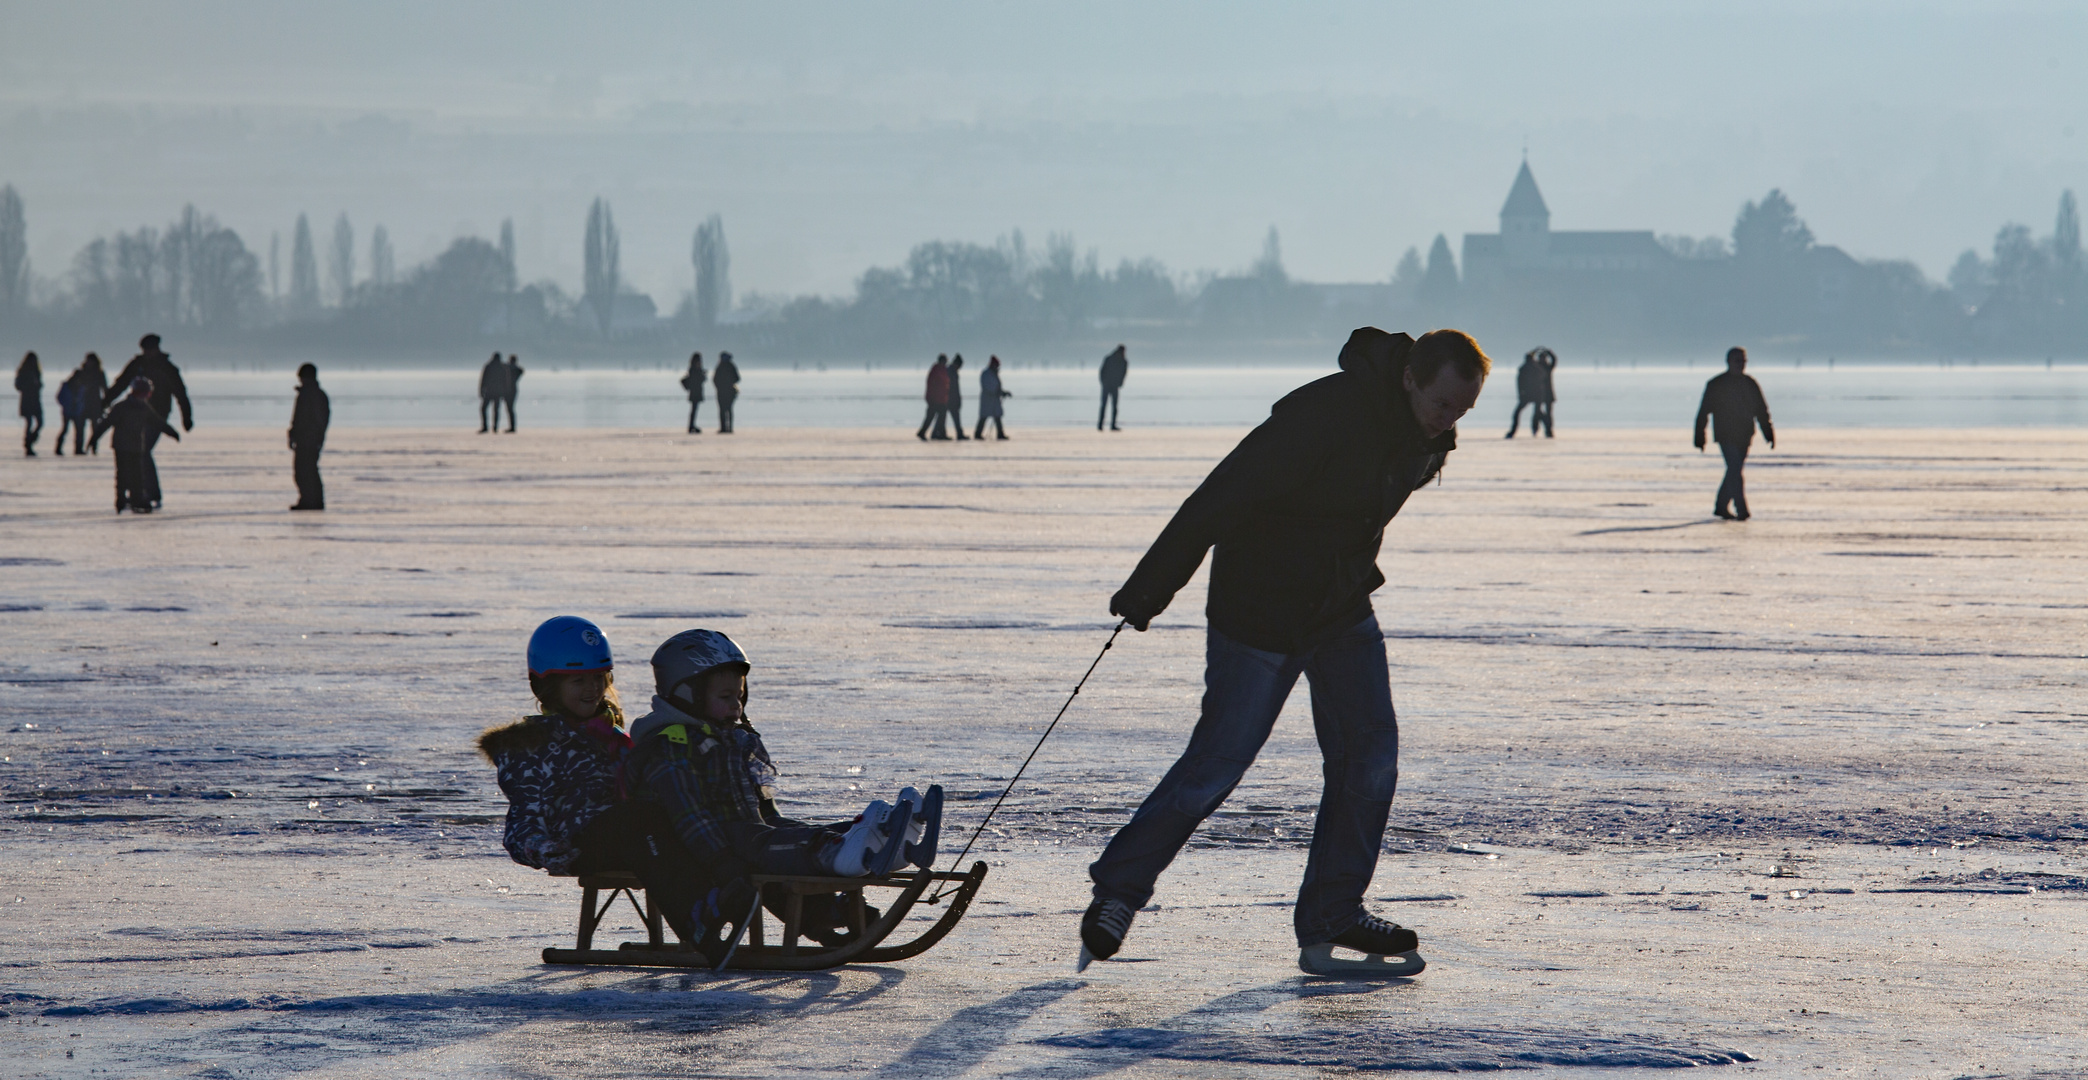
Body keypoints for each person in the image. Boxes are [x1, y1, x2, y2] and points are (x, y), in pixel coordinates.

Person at [1082, 326, 1490, 978]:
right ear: (1410, 377)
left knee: (1370, 760)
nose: (1451, 420)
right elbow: (1221, 495)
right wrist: (1150, 587)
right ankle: (1119, 891)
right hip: (1260, 609)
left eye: (1463, 410)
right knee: (1217, 764)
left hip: (1339, 608)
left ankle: (1333, 913)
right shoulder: (1324, 414)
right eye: (1443, 403)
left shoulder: (1424, 436)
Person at [625, 629, 941, 947]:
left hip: (741, 834)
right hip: (703, 847)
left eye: (739, 696)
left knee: (785, 833)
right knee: (762, 842)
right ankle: (842, 850)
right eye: (725, 697)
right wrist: (723, 862)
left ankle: (882, 838)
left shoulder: (731, 740)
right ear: (687, 695)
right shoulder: (670, 747)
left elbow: (765, 812)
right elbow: (689, 817)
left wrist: (789, 827)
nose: (736, 706)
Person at [480, 617, 735, 954]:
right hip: (578, 844)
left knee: (678, 816)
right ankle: (697, 919)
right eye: (578, 680)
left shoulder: (613, 738)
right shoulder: (529, 747)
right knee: (638, 818)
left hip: (635, 834)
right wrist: (543, 848)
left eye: (598, 678)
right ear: (546, 686)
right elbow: (521, 823)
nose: (592, 689)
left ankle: (725, 896)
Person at [1694, 346, 1774, 520]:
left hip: (1745, 434)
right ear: (1728, 362)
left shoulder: (1750, 384)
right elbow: (1703, 412)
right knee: (1735, 469)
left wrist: (1768, 433)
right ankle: (1742, 509)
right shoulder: (1716, 384)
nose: (1741, 364)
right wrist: (1699, 437)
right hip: (1725, 435)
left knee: (1733, 470)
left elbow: (1761, 410)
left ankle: (1721, 506)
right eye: (1737, 361)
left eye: (1743, 361)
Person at [91, 377, 180, 513]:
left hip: (137, 446)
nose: (146, 396)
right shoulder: (122, 407)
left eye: (148, 393)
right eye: (144, 393)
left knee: (137, 474)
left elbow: (157, 422)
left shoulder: (144, 408)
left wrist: (171, 432)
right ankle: (121, 500)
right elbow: (106, 423)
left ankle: (137, 500)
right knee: (122, 474)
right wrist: (94, 438)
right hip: (121, 446)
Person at [288, 363, 330, 511]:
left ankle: (314, 501)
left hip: (309, 440)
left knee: (308, 470)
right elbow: (297, 419)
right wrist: (292, 434)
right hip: (303, 439)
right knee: (302, 471)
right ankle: (307, 499)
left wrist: (317, 438)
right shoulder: (305, 395)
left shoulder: (314, 396)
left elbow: (320, 420)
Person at [54, 353, 106, 456]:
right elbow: (71, 385)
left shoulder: (99, 373)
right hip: (81, 403)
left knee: (94, 427)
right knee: (80, 427)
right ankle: (79, 448)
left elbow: (104, 388)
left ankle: (93, 446)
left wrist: (106, 402)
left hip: (94, 403)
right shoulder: (81, 372)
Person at [1505, 347, 1556, 438]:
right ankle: (1544, 430)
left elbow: (1520, 383)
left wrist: (1544, 352)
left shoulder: (1542, 368)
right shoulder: (1538, 368)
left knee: (1539, 413)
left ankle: (1545, 430)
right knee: (1538, 413)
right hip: (1538, 394)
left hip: (1540, 394)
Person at [974, 355, 1011, 440]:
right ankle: (977, 434)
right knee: (984, 417)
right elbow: (988, 386)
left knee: (997, 417)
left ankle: (1000, 433)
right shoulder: (986, 374)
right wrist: (997, 392)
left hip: (994, 400)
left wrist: (1002, 392)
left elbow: (997, 387)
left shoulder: (994, 374)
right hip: (987, 399)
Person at [916, 354, 951, 441]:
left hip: (939, 398)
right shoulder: (938, 370)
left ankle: (938, 433)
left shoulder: (939, 369)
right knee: (933, 416)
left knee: (938, 416)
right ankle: (927, 432)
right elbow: (936, 384)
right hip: (936, 398)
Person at [15, 351, 42, 457]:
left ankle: (30, 440)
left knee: (40, 422)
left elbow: (40, 385)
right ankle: (28, 445)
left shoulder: (36, 372)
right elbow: (18, 385)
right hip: (27, 400)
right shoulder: (23, 372)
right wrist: (28, 385)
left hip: (35, 400)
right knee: (29, 422)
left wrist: (37, 385)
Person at [477, 352, 509, 434]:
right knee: (496, 410)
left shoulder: (488, 366)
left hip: (489, 391)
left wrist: (481, 390)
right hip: (498, 391)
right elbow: (505, 381)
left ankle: (486, 427)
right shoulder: (502, 367)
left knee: (484, 408)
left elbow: (483, 379)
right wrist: (505, 392)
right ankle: (495, 427)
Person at [1098, 344, 1127, 431]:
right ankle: (1103, 425)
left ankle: (1109, 425)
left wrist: (1120, 383)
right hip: (1108, 385)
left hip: (1112, 385)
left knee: (1111, 406)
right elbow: (1102, 371)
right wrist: (1103, 382)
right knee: (1107, 405)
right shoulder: (1112, 359)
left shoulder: (1121, 361)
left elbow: (1123, 374)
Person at [712, 352, 739, 433]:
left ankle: (724, 428)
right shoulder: (731, 366)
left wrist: (720, 386)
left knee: (723, 410)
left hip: (723, 391)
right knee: (728, 409)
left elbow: (715, 379)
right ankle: (728, 428)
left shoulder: (720, 366)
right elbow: (737, 378)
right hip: (729, 391)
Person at [681, 352, 707, 434]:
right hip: (695, 392)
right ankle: (691, 426)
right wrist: (703, 374)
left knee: (694, 410)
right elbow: (699, 380)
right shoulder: (695, 370)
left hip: (694, 392)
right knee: (694, 410)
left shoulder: (692, 369)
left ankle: (692, 425)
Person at [946, 354, 969, 441]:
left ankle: (959, 433)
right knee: (952, 417)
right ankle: (959, 434)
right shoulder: (951, 372)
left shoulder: (952, 371)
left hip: (952, 398)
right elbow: (952, 388)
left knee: (947, 417)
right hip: (950, 399)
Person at [504, 354, 524, 432]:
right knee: (510, 408)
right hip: (513, 389)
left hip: (508, 390)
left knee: (510, 408)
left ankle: (512, 427)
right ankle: (512, 426)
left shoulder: (510, 368)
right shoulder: (516, 369)